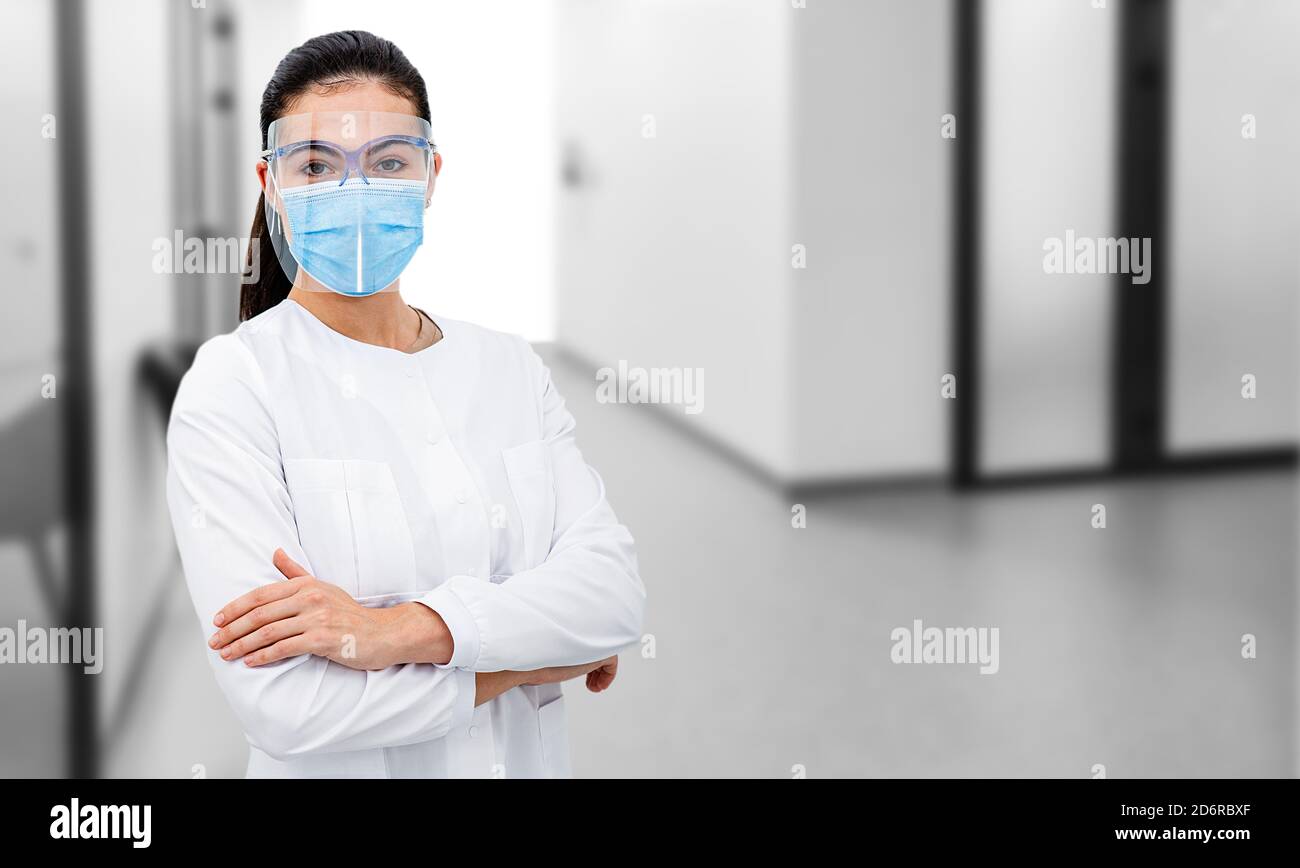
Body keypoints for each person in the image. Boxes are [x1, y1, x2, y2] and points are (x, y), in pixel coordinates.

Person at [165, 30, 645, 779]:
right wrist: (527, 656)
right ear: (270, 180)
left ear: (429, 176)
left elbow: (613, 596)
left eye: (388, 161)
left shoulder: (510, 366)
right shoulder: (234, 386)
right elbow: (286, 707)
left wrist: (397, 632)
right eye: (318, 165)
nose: (355, 189)